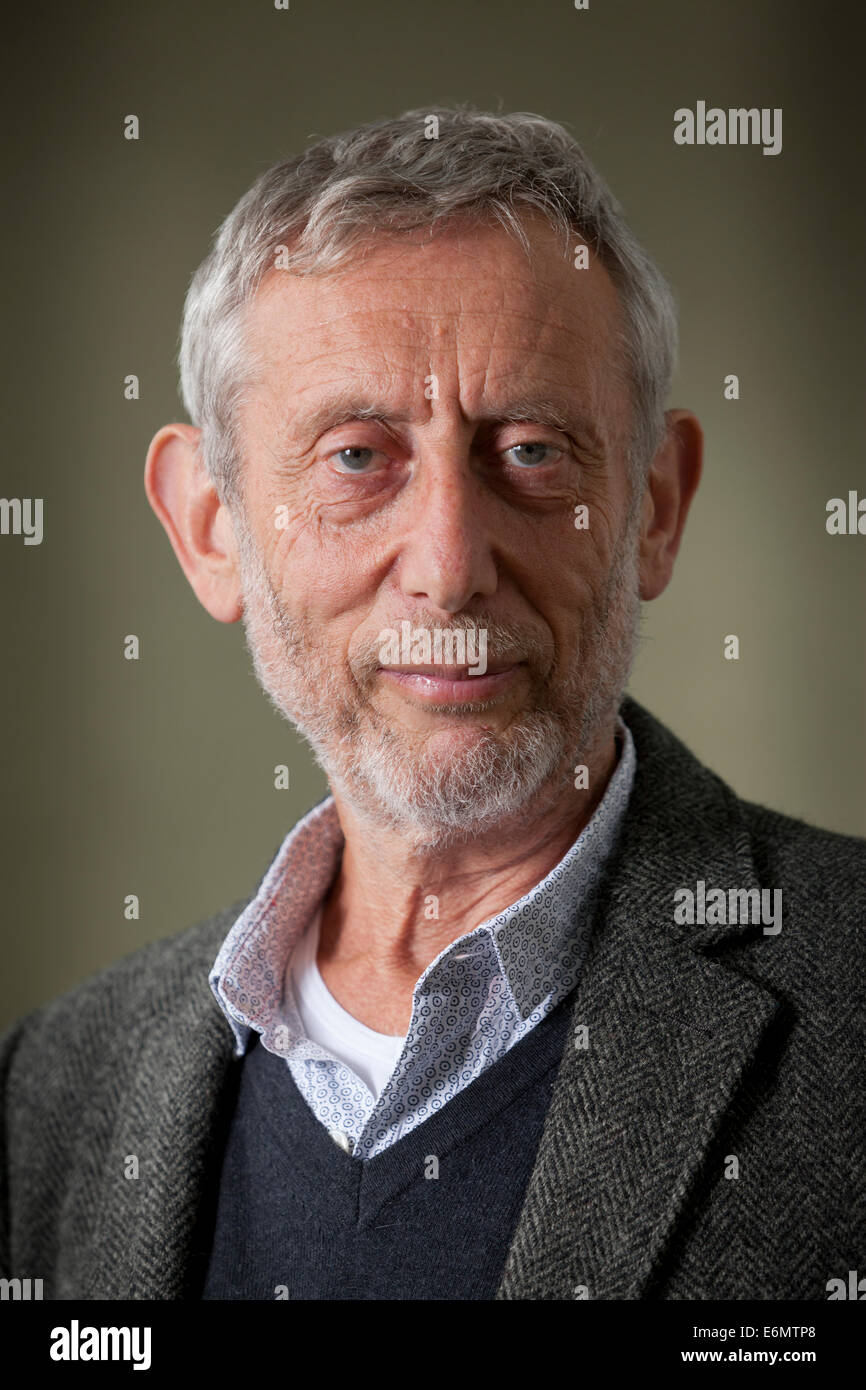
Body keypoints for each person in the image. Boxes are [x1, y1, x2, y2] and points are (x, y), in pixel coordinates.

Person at [1, 107, 863, 1301]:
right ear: (209, 526)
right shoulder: (50, 1090)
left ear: (654, 508)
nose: (450, 564)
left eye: (532, 451)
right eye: (357, 457)